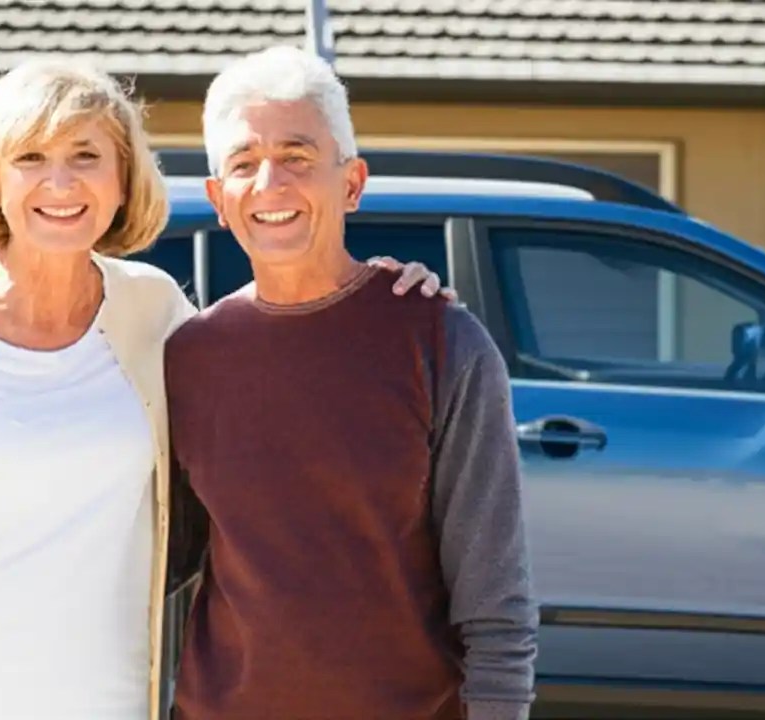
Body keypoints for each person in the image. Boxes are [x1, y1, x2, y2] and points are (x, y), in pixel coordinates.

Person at [0, 59, 446, 720]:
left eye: (86, 156)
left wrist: (374, 296)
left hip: (103, 700)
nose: (60, 182)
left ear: (122, 181)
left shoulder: (152, 311)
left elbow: (269, 371)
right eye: (30, 156)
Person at [165, 46, 539, 720]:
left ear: (353, 182)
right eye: (244, 164)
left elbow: (497, 606)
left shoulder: (441, 344)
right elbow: (162, 570)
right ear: (219, 199)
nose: (271, 184)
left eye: (299, 157)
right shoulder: (189, 357)